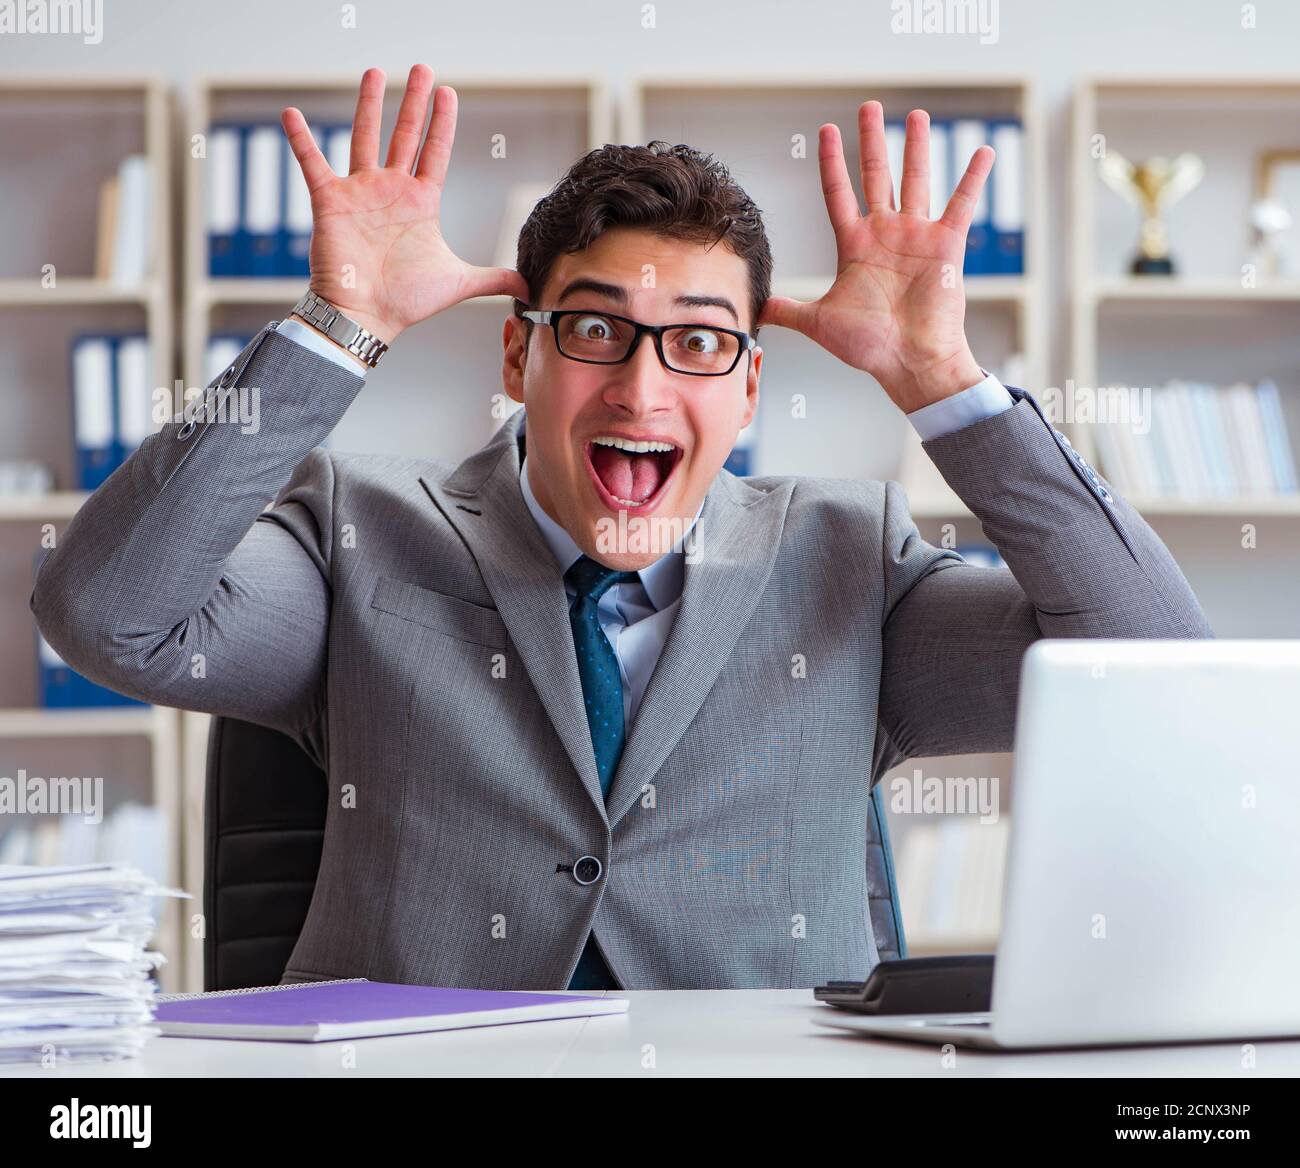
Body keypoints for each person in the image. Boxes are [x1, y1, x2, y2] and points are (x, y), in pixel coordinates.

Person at [31, 64, 1212, 991]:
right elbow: (106, 617)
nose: (643, 392)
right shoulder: (360, 532)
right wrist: (339, 326)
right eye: (593, 330)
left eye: (699, 342)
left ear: (749, 387)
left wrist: (945, 384)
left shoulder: (852, 561)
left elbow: (1158, 674)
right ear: (518, 352)